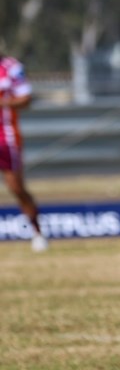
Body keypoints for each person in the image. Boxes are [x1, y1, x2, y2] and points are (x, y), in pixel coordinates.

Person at [0, 52, 48, 252]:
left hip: (6, 136)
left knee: (16, 188)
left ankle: (37, 232)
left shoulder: (11, 67)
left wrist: (3, 102)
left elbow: (26, 99)